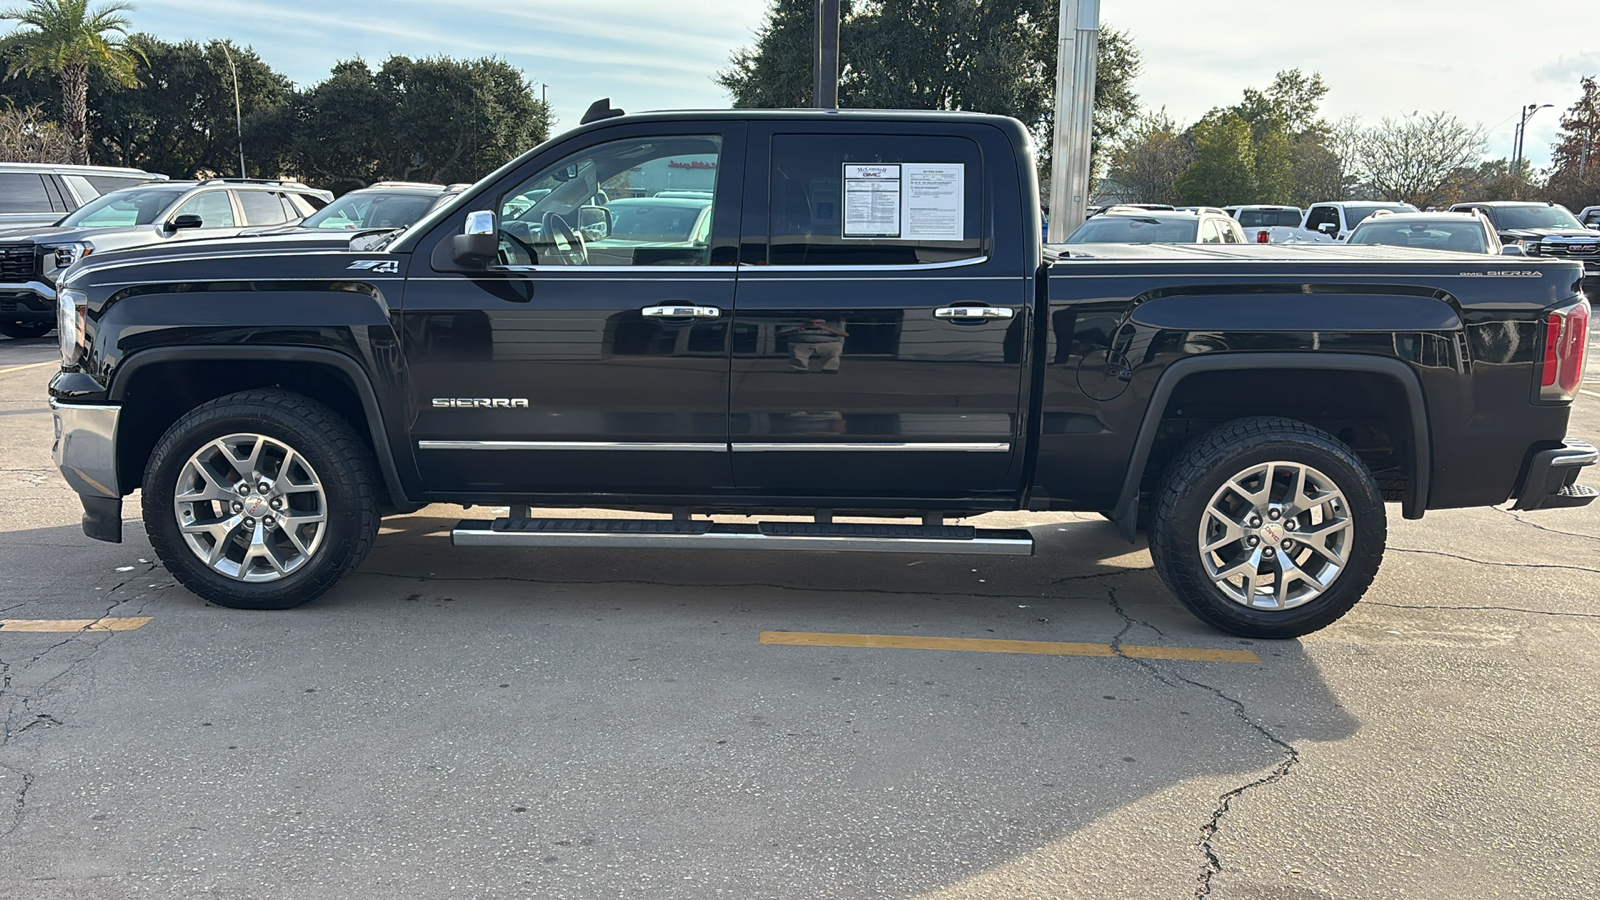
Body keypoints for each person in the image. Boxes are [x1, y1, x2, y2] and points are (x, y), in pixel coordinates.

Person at [778, 318, 849, 373]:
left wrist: (830, 330)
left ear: (824, 322)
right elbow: (779, 334)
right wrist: (794, 331)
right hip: (801, 343)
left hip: (827, 343)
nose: (814, 324)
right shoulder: (794, 327)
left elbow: (845, 334)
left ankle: (830, 368)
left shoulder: (832, 327)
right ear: (805, 322)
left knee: (832, 354)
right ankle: (800, 368)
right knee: (798, 355)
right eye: (810, 322)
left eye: (818, 323)